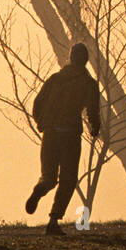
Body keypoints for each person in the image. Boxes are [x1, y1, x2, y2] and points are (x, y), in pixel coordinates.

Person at [26, 43, 101, 234]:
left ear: (70, 58)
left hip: (50, 134)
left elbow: (38, 103)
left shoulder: (55, 79)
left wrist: (42, 123)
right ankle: (53, 221)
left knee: (49, 177)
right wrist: (95, 127)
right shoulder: (89, 84)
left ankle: (40, 189)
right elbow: (93, 109)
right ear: (86, 60)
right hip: (70, 135)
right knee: (68, 179)